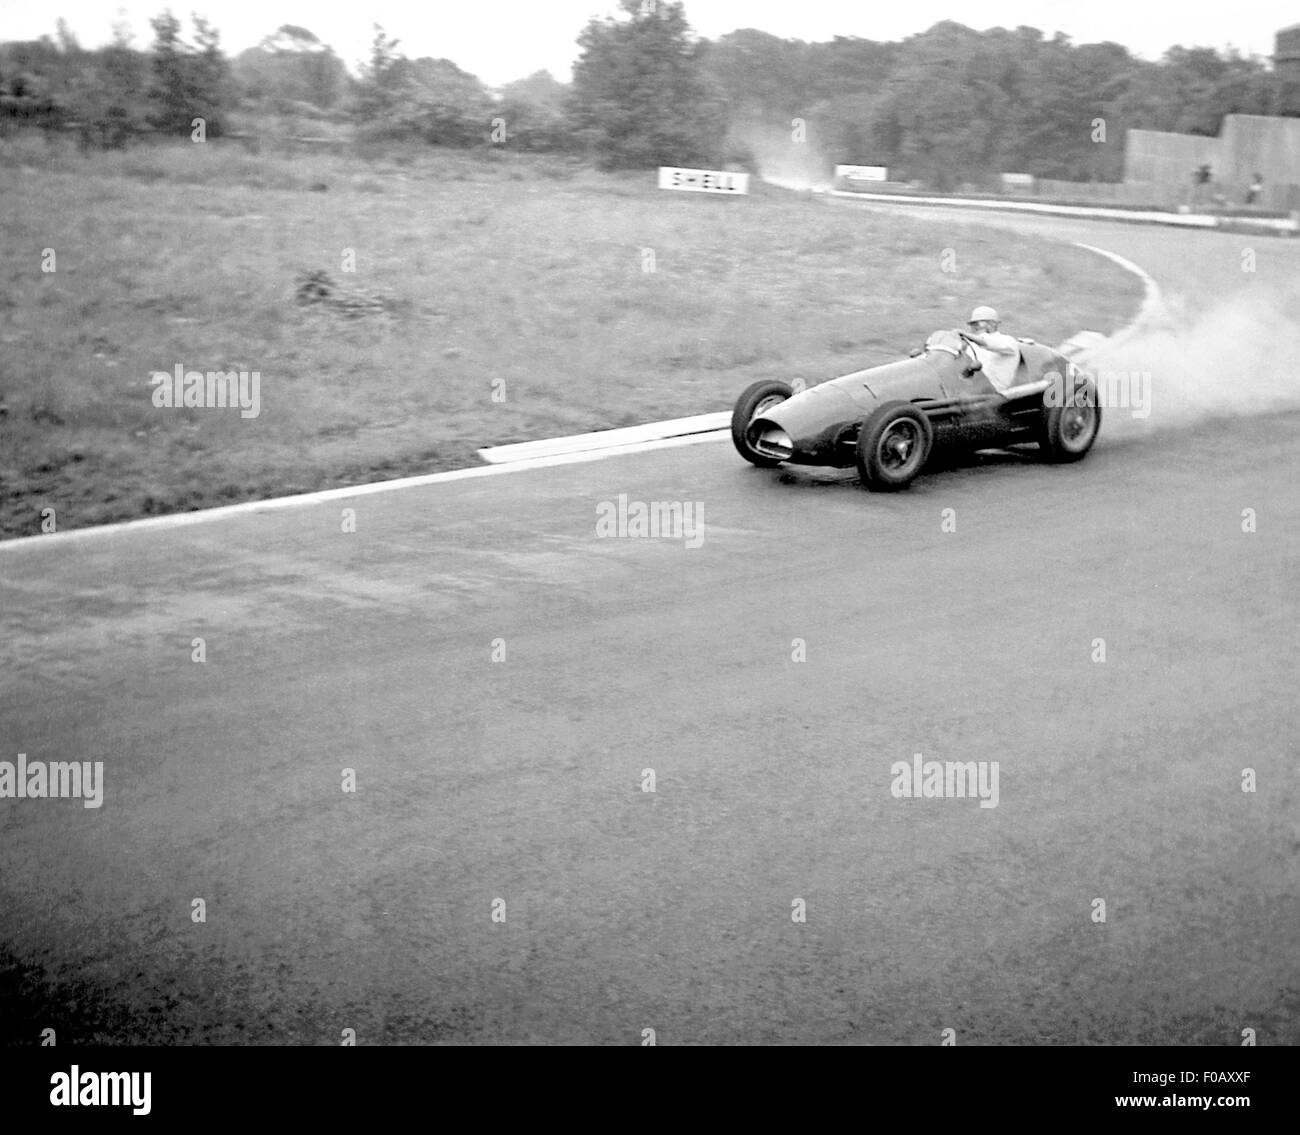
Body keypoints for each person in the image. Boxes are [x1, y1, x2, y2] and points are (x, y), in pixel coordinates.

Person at [961, 305, 1021, 394]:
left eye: (978, 324)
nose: (974, 327)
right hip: (973, 391)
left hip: (999, 393)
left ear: (992, 324)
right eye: (972, 324)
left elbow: (987, 342)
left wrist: (964, 334)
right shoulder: (971, 346)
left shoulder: (1007, 341)